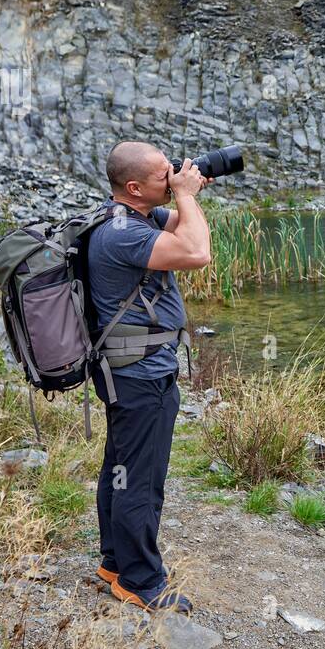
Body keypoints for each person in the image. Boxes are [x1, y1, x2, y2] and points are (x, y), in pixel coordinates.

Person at [86, 141, 214, 613]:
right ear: (135, 187)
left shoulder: (123, 218)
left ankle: (115, 563)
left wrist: (186, 193)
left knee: (119, 469)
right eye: (164, 174)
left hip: (126, 371)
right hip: (142, 376)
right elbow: (197, 252)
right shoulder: (124, 234)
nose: (174, 174)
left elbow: (182, 229)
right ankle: (141, 581)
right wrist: (187, 195)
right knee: (140, 480)